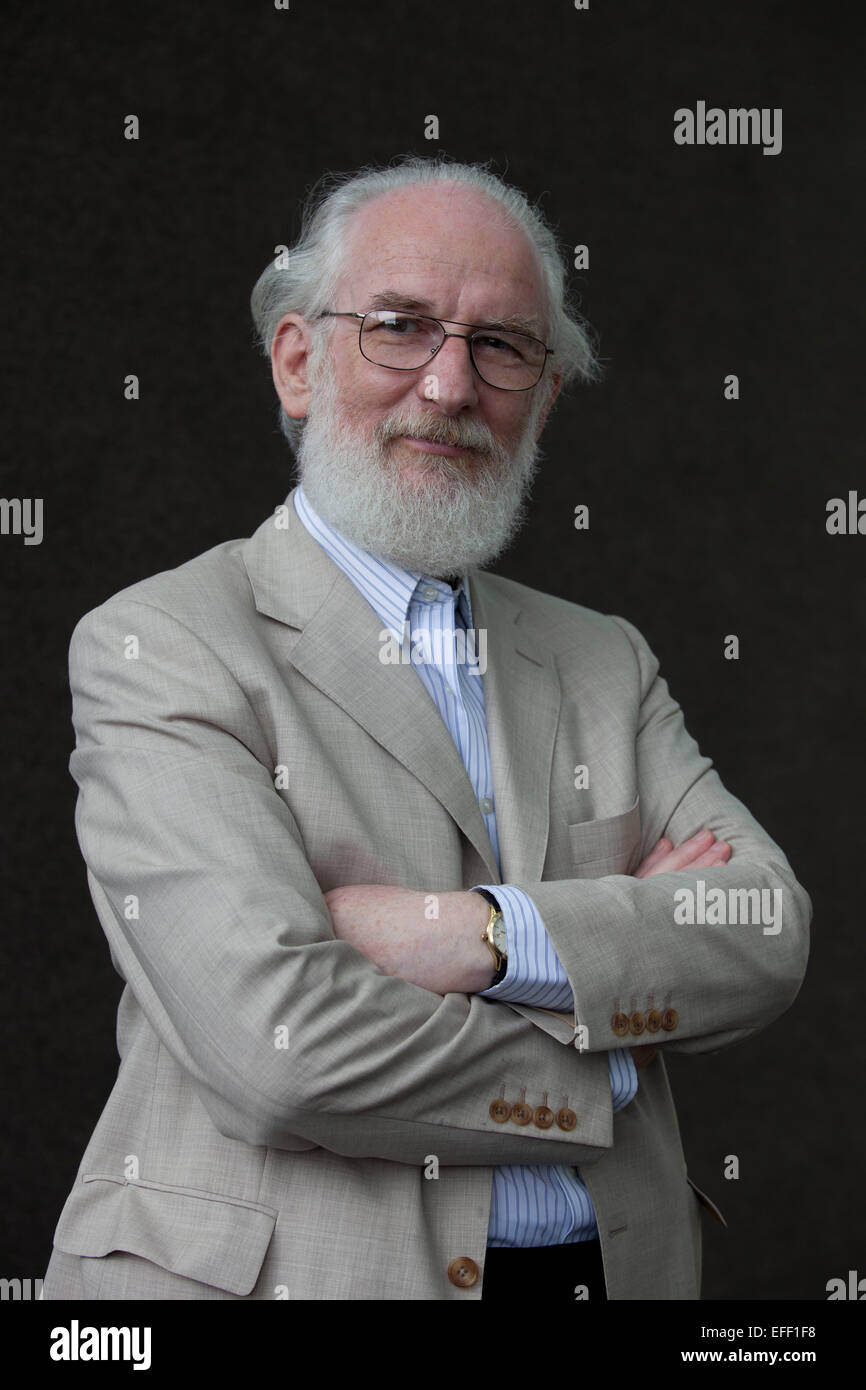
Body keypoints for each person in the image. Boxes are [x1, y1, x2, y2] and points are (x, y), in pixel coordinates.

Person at [42, 156, 810, 1301]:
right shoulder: (161, 642)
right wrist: (605, 1054)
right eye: (399, 326)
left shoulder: (602, 654)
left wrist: (480, 936)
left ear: (544, 395)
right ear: (298, 361)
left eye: (501, 345)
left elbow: (760, 928)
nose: (450, 385)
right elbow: (278, 1053)